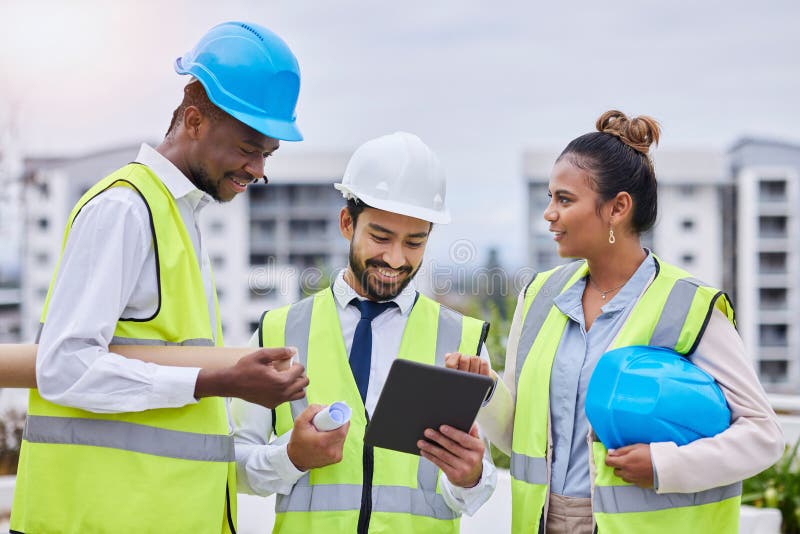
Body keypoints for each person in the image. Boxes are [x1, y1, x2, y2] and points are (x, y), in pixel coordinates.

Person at [11, 21, 309, 533]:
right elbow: (63, 366)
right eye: (248, 147)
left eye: (268, 155)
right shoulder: (125, 209)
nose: (258, 169)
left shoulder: (179, 217)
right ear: (194, 121)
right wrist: (219, 380)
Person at [447, 110, 785, 534]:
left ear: (618, 208)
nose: (549, 214)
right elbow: (520, 435)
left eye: (564, 200)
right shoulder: (540, 296)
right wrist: (487, 389)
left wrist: (665, 465)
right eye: (550, 198)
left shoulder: (690, 305)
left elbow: (764, 434)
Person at [232, 132, 497, 533]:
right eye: (380, 237)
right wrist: (291, 456)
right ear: (346, 223)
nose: (395, 258)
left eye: (414, 242)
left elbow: (480, 486)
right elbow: (236, 468)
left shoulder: (462, 340)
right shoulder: (278, 332)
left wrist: (470, 476)